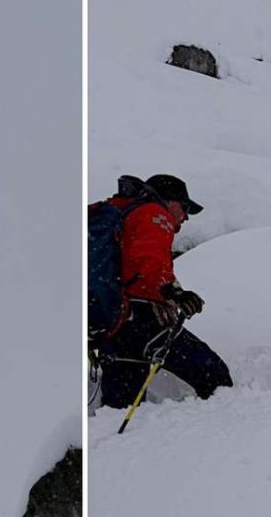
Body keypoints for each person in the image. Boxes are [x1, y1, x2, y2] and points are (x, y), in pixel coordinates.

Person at [96, 174, 233, 408]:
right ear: (169, 201)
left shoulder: (119, 213)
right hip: (141, 319)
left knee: (122, 405)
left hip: (111, 322)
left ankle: (116, 444)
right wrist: (172, 292)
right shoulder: (154, 212)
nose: (186, 217)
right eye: (185, 207)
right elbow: (148, 261)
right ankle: (227, 434)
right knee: (214, 376)